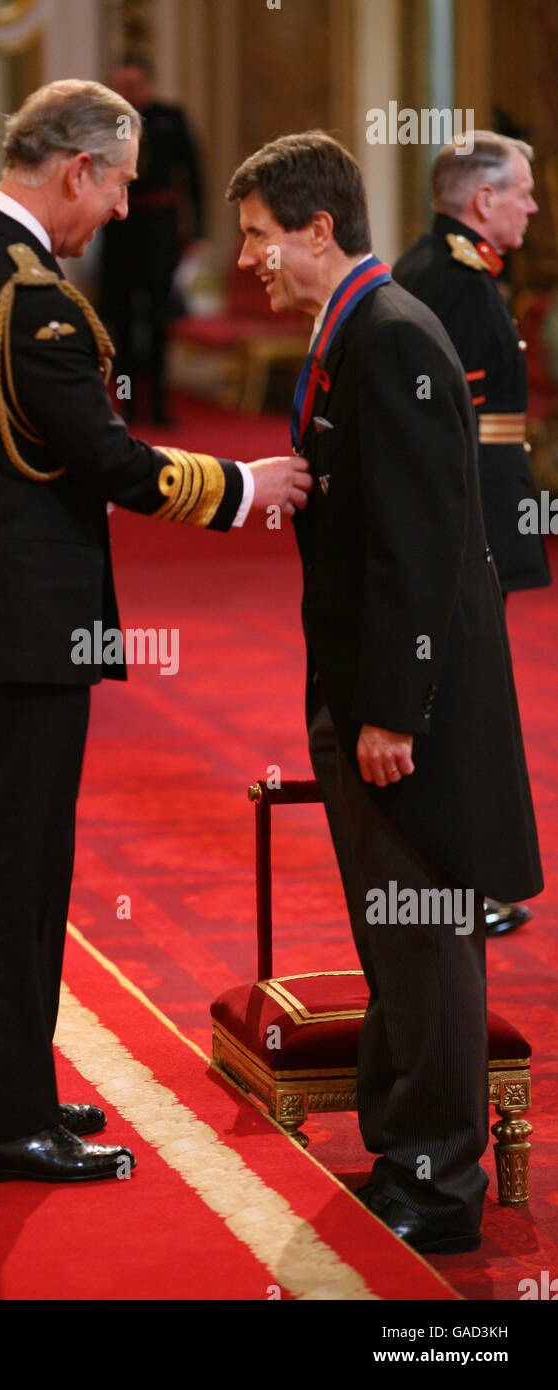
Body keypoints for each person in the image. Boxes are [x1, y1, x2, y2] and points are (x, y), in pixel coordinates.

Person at [0, 80, 311, 1184]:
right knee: (14, 878)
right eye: (122, 183)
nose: (127, 209)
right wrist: (245, 485)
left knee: (21, 873)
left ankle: (6, 1090)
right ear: (76, 168)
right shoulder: (27, 297)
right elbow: (114, 462)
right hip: (20, 630)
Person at [227, 131, 543, 1252]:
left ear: (319, 230)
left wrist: (387, 715)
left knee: (427, 937)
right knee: (392, 938)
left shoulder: (392, 332)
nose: (246, 258)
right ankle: (403, 1152)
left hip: (408, 711)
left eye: (260, 236)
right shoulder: (357, 327)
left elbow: (419, 547)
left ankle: (440, 1187)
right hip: (365, 690)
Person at [394, 131, 550, 937]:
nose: (532, 203)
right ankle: (454, 892)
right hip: (466, 529)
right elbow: (434, 432)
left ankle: (463, 886)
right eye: (521, 190)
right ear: (482, 201)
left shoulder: (459, 271)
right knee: (458, 710)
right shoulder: (452, 282)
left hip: (479, 523)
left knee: (470, 706)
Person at [99, 57, 204, 425]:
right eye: (120, 83)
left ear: (148, 84)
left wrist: (199, 232)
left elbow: (194, 175)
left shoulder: (170, 117)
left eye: (134, 83)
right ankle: (127, 403)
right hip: (118, 227)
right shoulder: (103, 122)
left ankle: (160, 405)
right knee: (122, 321)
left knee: (160, 319)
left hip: (160, 227)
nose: (128, 91)